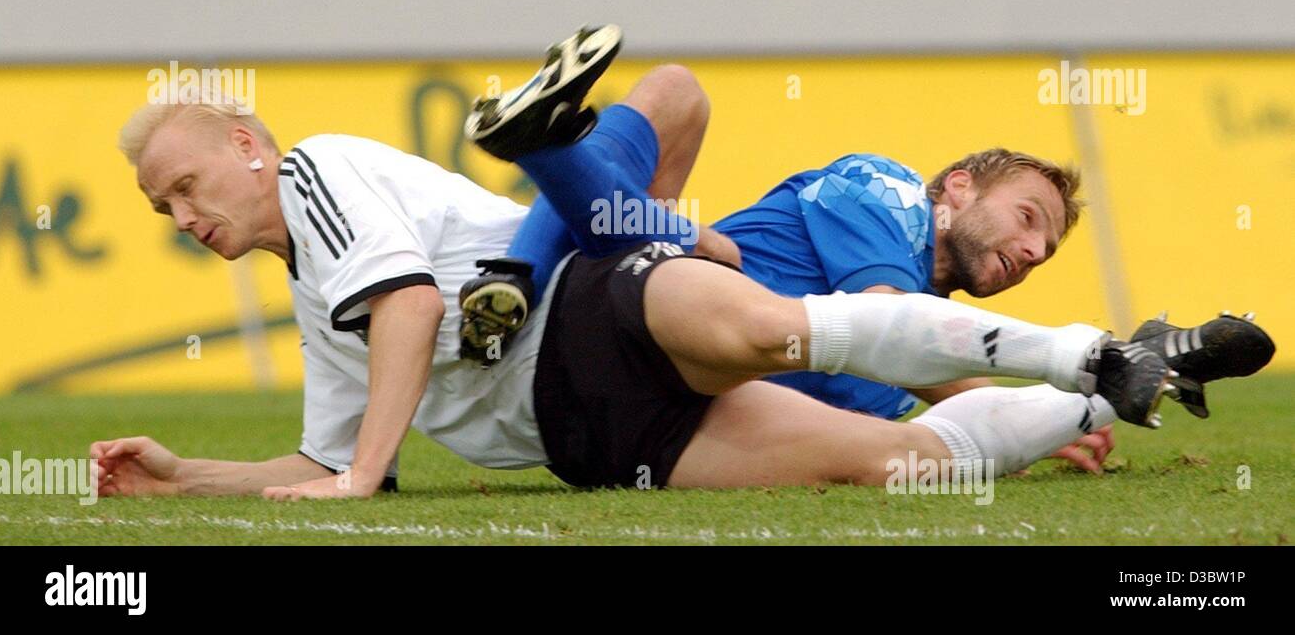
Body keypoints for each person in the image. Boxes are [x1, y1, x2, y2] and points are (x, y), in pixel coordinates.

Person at [89, 29, 1271, 500]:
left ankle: (1101, 353)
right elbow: (326, 450)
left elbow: (402, 309)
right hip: (596, 429)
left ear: (252, 148)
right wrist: (184, 475)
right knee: (906, 463)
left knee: (765, 314)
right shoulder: (886, 189)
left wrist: (662, 232)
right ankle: (1117, 361)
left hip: (608, 315)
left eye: (183, 188)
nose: (178, 214)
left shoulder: (319, 174)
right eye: (162, 206)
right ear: (953, 183)